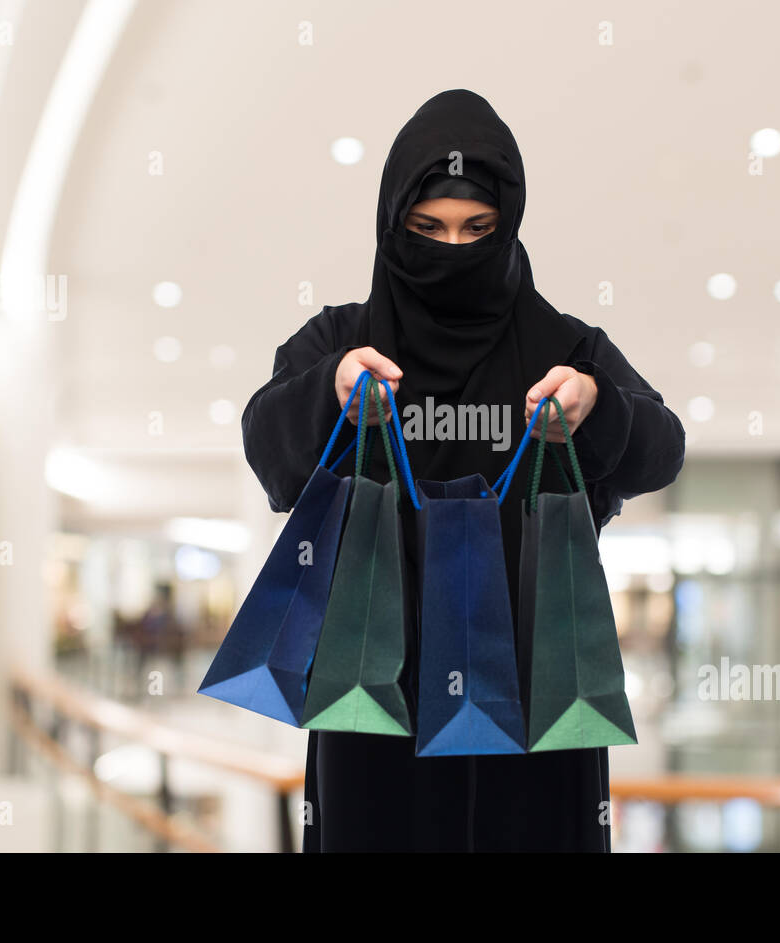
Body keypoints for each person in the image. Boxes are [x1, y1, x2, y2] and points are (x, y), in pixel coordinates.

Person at [242, 89, 686, 852]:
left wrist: (597, 404)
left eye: (477, 229)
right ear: (393, 223)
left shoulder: (565, 349)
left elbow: (663, 449)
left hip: (540, 702)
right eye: (429, 228)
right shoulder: (342, 338)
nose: (453, 248)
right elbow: (265, 443)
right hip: (373, 702)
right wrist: (332, 390)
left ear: (508, 225)